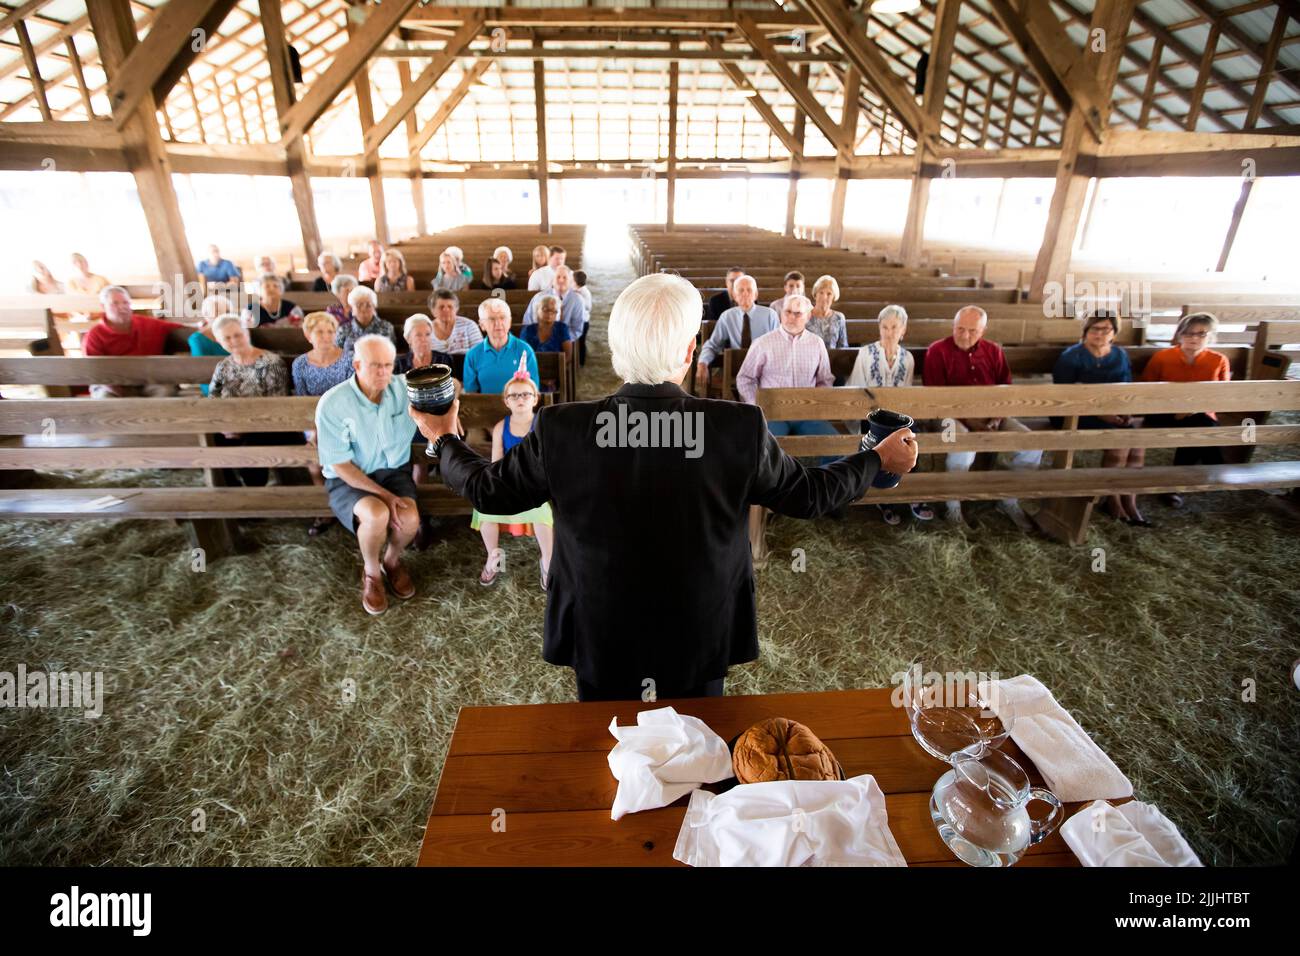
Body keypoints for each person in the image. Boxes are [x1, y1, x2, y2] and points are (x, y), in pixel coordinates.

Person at [408, 272, 917, 702]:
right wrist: (874, 460)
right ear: (690, 348)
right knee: (694, 745)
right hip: (698, 624)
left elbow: (490, 492)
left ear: (615, 350)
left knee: (608, 743)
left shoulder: (562, 428)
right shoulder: (736, 428)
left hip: (599, 622)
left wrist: (443, 440)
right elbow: (808, 495)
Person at [315, 334, 420, 615]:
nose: (384, 372)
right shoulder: (333, 404)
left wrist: (449, 406)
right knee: (377, 514)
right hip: (350, 477)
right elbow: (340, 465)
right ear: (357, 365)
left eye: (388, 365)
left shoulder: (404, 387)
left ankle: (393, 561)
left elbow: (450, 386)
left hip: (394, 471)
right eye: (375, 365)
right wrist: (385, 496)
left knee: (410, 519)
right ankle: (372, 573)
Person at [923, 305, 1042, 530]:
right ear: (953, 326)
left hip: (991, 414)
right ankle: (953, 507)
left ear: (983, 331)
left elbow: (1005, 388)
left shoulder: (994, 351)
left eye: (972, 331)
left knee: (1032, 445)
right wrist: (972, 422)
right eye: (960, 329)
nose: (965, 335)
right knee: (963, 443)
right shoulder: (937, 350)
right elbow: (935, 398)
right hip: (948, 415)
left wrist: (996, 418)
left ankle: (1008, 498)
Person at [1052, 311, 1147, 525]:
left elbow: (1126, 388)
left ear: (1114, 333)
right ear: (1086, 331)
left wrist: (1125, 412)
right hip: (1074, 413)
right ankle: (1111, 499)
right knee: (1119, 444)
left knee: (1138, 443)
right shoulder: (1072, 356)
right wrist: (1104, 414)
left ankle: (1129, 500)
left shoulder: (1120, 355)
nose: (1100, 333)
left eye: (1106, 329)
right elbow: (1064, 395)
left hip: (1113, 413)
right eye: (1095, 328)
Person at [847, 305, 934, 525]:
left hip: (898, 418)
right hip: (871, 417)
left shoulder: (908, 359)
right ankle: (884, 498)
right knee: (880, 442)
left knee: (911, 440)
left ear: (903, 330)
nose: (889, 332)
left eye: (894, 327)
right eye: (884, 327)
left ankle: (913, 495)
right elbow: (856, 390)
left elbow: (906, 394)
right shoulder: (866, 353)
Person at [471, 366, 556, 589]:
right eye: (514, 395)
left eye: (525, 394)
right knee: (485, 510)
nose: (520, 399)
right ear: (506, 401)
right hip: (509, 481)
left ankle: (548, 561)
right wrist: (502, 484)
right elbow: (496, 462)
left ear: (535, 399)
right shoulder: (502, 427)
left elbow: (549, 460)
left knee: (543, 514)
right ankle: (494, 556)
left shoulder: (542, 425)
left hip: (537, 484)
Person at [735, 295, 838, 470]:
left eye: (798, 313)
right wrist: (757, 406)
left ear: (808, 316)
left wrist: (817, 405)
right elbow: (745, 378)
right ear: (781, 313)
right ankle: (766, 492)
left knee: (836, 445)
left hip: (806, 412)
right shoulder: (763, 343)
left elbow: (825, 379)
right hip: (773, 413)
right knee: (763, 450)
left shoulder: (816, 343)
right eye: (788, 312)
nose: (791, 317)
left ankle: (825, 488)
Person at [1141, 311, 1231, 508]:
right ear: (1179, 334)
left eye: (1201, 334)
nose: (1194, 338)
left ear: (1211, 336)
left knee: (1199, 424)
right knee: (1203, 426)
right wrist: (1174, 410)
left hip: (1201, 413)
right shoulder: (1163, 357)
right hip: (1163, 414)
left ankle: (1174, 487)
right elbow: (1146, 390)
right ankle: (1215, 469)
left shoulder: (1218, 360)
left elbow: (1222, 394)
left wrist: (1193, 409)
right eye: (1188, 333)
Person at [208, 313, 293, 488]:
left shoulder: (271, 362)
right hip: (233, 425)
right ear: (219, 342)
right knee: (214, 440)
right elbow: (213, 400)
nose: (233, 341)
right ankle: (231, 490)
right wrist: (224, 426)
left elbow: (277, 405)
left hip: (269, 425)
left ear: (246, 333)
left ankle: (254, 492)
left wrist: (243, 428)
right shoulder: (223, 366)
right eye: (227, 338)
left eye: (238, 335)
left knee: (251, 446)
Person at [293, 311, 356, 537]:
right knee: (313, 460)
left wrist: (335, 427)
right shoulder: (300, 364)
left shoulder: (349, 358)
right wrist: (315, 430)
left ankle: (351, 506)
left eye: (330, 331)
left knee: (349, 456)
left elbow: (352, 397)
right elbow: (302, 402)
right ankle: (325, 508)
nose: (326, 336)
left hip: (345, 419)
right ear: (308, 334)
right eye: (319, 331)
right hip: (314, 422)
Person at [84, 286, 185, 397]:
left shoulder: (147, 323)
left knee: (166, 391)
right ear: (103, 306)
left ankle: (154, 415)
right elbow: (95, 371)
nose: (122, 307)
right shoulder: (94, 335)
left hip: (148, 381)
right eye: (115, 303)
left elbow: (180, 327)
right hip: (111, 384)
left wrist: (202, 325)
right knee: (105, 397)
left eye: (126, 303)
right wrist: (117, 390)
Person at [695, 274, 778, 393]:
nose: (745, 294)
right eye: (740, 290)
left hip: (765, 369)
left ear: (756, 294)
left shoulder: (770, 315)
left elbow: (778, 345)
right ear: (734, 295)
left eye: (749, 290)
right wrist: (702, 363)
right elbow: (713, 345)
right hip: (738, 368)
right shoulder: (727, 316)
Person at [463, 298, 539, 394]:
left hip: (518, 407)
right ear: (482, 325)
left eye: (502, 318)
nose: (498, 323)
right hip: (484, 407)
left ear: (510, 322)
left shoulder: (524, 350)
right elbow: (471, 394)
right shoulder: (472, 355)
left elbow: (534, 390)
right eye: (492, 319)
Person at [519, 294, 573, 390]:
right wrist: (538, 376)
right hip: (531, 373)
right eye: (546, 309)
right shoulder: (528, 330)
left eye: (554, 311)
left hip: (555, 374)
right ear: (537, 310)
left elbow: (568, 356)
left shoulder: (562, 328)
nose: (550, 313)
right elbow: (522, 356)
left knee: (549, 388)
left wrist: (555, 375)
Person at [188, 295, 233, 396]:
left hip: (240, 379)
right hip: (212, 383)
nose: (222, 315)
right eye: (217, 311)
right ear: (206, 314)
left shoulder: (238, 332)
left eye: (227, 311)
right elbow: (201, 369)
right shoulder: (197, 339)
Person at [522, 265, 585, 332]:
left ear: (570, 281)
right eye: (558, 277)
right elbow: (528, 321)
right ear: (552, 280)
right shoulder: (538, 297)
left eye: (564, 277)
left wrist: (563, 339)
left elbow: (577, 328)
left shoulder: (577, 301)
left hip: (566, 339)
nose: (561, 280)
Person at [336, 286, 395, 353]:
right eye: (359, 305)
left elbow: (390, 354)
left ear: (374, 307)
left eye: (368, 305)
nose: (364, 309)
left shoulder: (386, 327)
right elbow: (337, 357)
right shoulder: (343, 330)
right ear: (352, 309)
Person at [808, 275, 849, 350]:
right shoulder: (806, 316)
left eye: (829, 294)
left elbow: (843, 347)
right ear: (815, 295)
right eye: (821, 292)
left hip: (832, 359)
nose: (824, 297)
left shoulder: (839, 317)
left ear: (834, 297)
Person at [573, 269, 593, 368]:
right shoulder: (576, 291)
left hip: (583, 321)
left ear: (575, 282)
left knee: (581, 342)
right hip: (579, 320)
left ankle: (581, 362)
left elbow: (588, 307)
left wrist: (578, 297)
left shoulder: (584, 292)